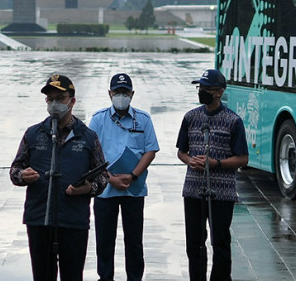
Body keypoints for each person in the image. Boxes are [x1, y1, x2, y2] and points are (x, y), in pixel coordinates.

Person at [9, 73, 109, 281]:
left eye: (60, 98)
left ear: (72, 101)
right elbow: (15, 170)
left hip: (73, 220)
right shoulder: (34, 134)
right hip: (39, 219)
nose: (54, 103)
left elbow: (103, 178)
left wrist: (87, 189)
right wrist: (23, 175)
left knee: (72, 276)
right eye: (50, 99)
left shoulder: (88, 137)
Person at [176, 68, 249, 281]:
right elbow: (181, 151)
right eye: (201, 88)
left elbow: (243, 159)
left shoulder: (233, 121)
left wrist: (215, 163)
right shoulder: (190, 118)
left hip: (222, 192)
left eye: (208, 89)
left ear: (219, 92)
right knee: (194, 244)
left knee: (221, 243)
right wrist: (190, 160)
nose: (203, 92)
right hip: (193, 190)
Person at [88, 73, 159, 281]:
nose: (121, 96)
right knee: (104, 240)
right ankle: (105, 277)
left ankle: (135, 278)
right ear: (110, 93)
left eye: (125, 92)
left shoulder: (143, 119)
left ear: (132, 94)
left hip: (133, 189)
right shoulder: (99, 119)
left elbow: (150, 150)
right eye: (117, 92)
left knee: (134, 240)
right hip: (105, 189)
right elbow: (91, 153)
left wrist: (133, 175)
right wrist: (110, 179)